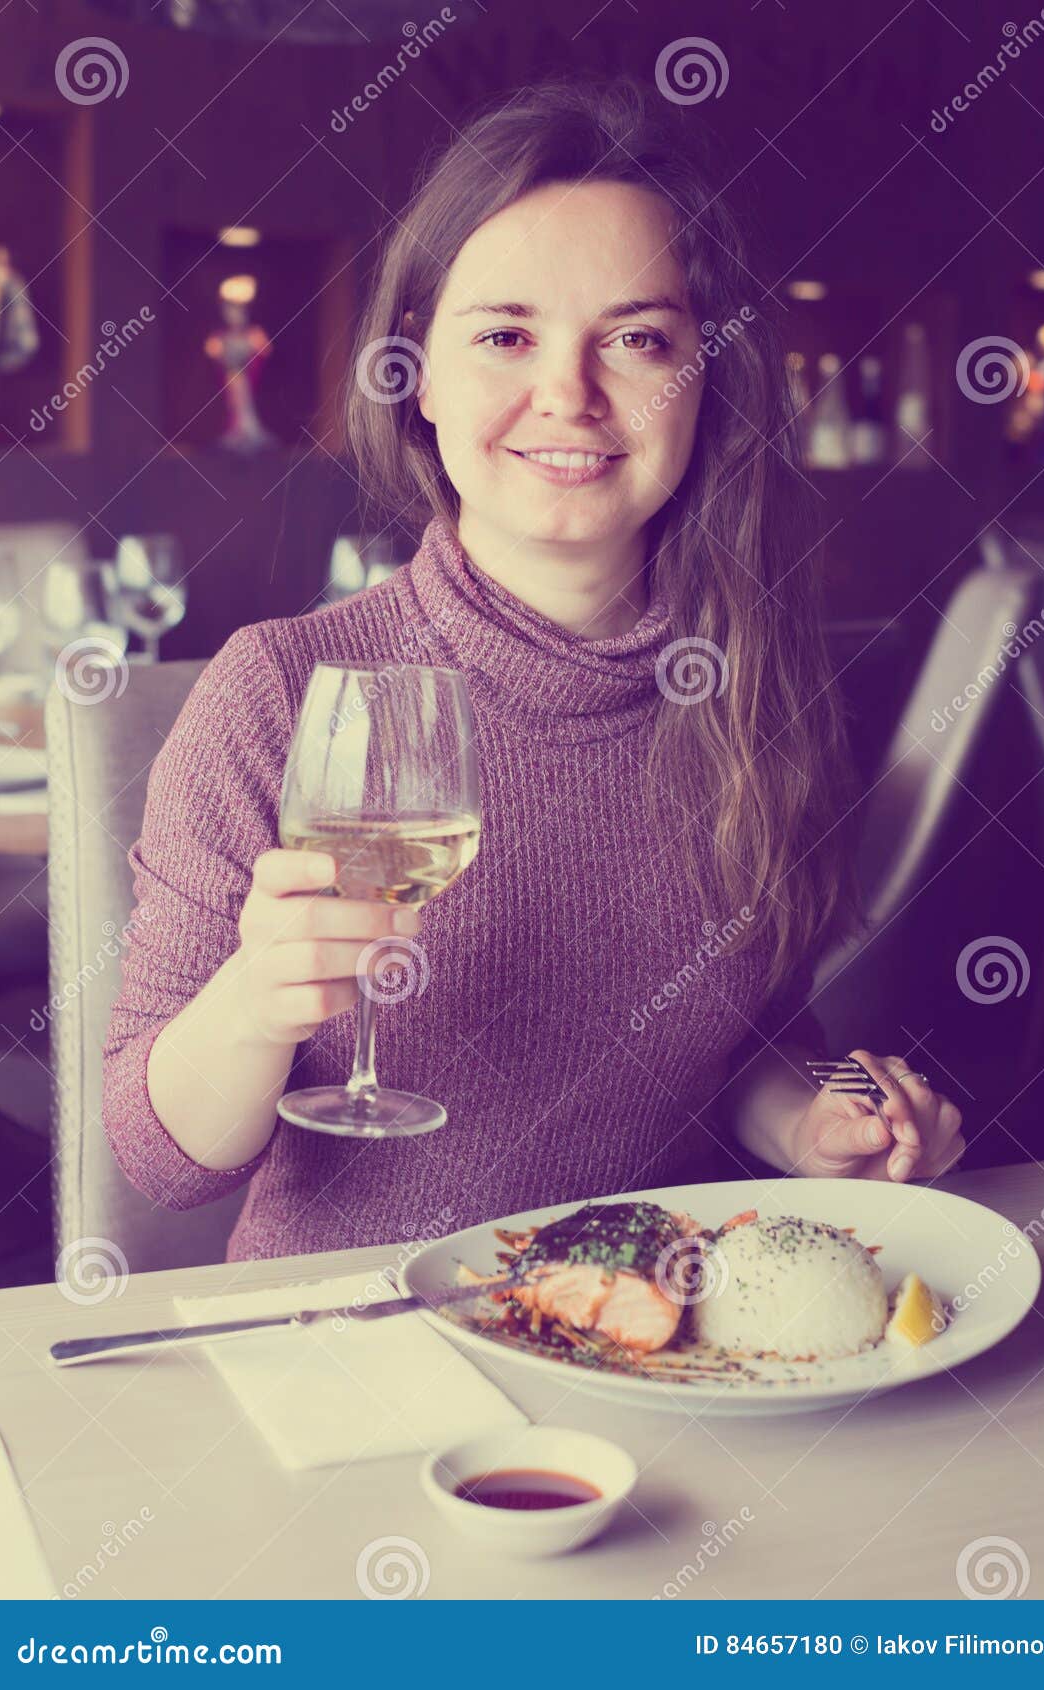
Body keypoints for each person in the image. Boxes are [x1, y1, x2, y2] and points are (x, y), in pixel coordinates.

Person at [102, 76, 963, 1261]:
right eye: (506, 335)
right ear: (420, 380)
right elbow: (156, 1159)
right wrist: (256, 998)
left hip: (657, 1338)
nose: (568, 393)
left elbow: (736, 1033)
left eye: (638, 339)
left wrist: (810, 1127)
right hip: (359, 1348)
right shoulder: (279, 691)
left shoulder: (758, 685)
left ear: (703, 387)